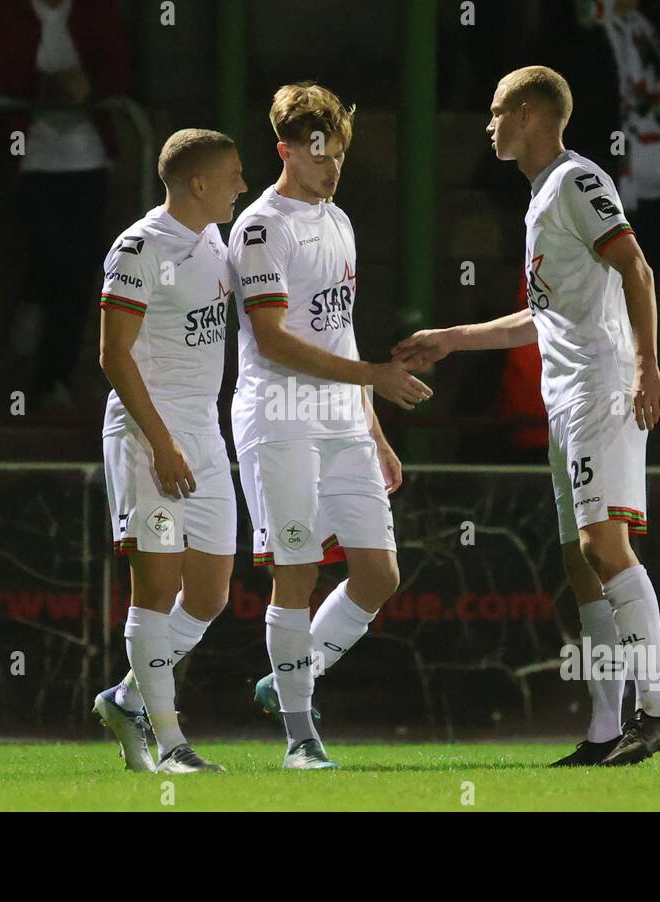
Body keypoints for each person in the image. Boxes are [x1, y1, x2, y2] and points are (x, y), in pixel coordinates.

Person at [394, 66, 660, 767]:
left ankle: (659, 712)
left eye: (497, 111)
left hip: (599, 388)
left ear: (529, 112)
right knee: (581, 562)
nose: (488, 124)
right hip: (566, 396)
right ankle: (606, 730)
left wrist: (647, 364)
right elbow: (545, 317)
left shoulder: (578, 182)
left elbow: (637, 269)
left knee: (603, 548)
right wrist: (452, 339)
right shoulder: (543, 195)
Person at [231, 82, 431, 770]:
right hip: (279, 415)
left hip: (343, 415)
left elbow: (341, 332)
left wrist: (373, 427)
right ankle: (299, 736)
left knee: (378, 574)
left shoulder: (340, 221)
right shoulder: (261, 228)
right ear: (285, 150)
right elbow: (273, 340)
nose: (331, 167)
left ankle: (293, 677)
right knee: (297, 570)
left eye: (339, 153)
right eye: (319, 155)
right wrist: (375, 378)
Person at [92, 129, 246, 775]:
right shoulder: (138, 248)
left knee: (210, 593)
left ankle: (127, 701)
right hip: (146, 436)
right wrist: (161, 445)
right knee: (154, 587)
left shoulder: (214, 241)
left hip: (205, 436)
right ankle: (172, 742)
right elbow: (112, 354)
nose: (244, 185)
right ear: (199, 184)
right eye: (235, 175)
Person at [0, 0, 131, 411]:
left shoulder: (97, 12)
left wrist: (89, 87)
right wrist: (45, 88)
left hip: (87, 160)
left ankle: (52, 380)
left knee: (78, 271)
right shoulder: (4, 14)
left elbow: (120, 70)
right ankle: (23, 367)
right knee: (40, 262)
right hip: (29, 160)